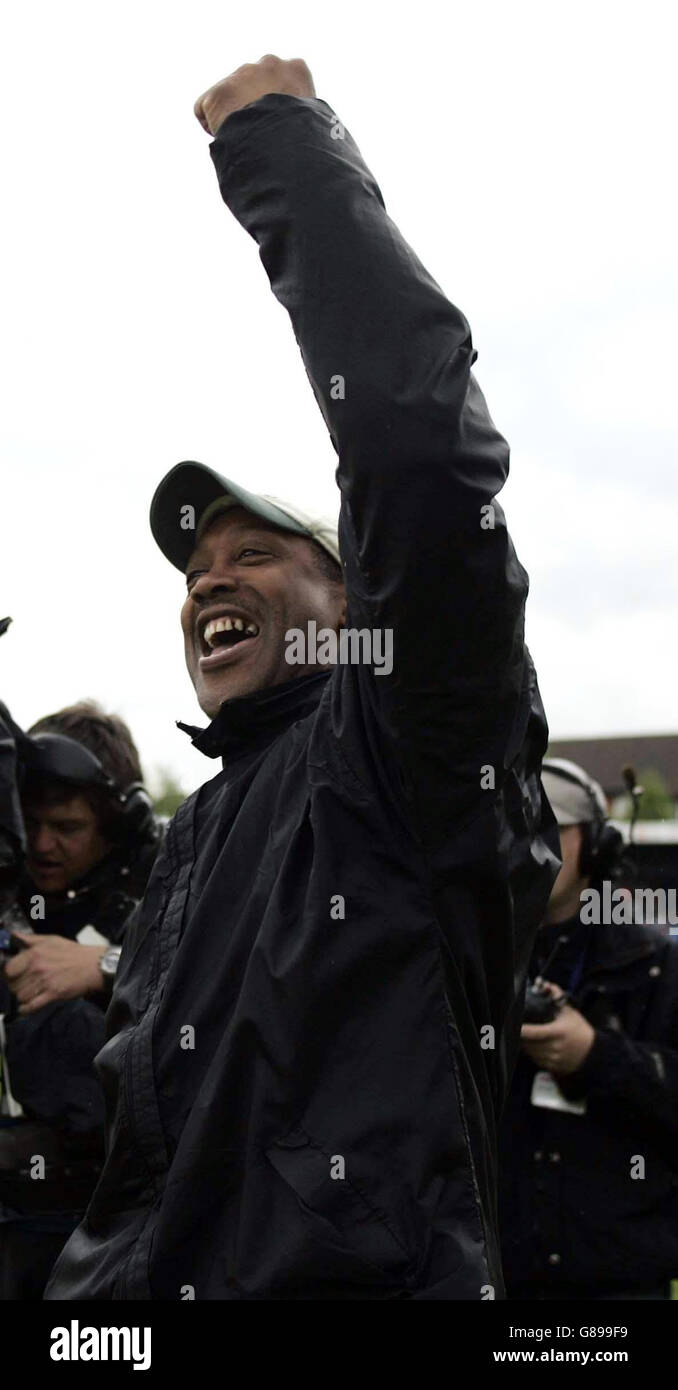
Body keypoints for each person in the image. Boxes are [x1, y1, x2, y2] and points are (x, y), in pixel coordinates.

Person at [45, 54, 559, 1302]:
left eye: (256, 553)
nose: (209, 583)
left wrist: (283, 149)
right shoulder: (207, 822)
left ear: (351, 600)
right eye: (194, 568)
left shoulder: (393, 745)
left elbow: (423, 466)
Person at [499, 757, 678, 1300]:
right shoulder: (475, 958)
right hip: (497, 1272)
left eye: (550, 823)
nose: (528, 841)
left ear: (599, 847)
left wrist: (593, 1055)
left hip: (617, 1280)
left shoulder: (656, 962)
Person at [0, 701, 159, 1299]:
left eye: (67, 828)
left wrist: (108, 968)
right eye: (30, 821)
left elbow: (226, 995)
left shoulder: (167, 893)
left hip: (114, 1238)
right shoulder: (9, 889)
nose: (42, 845)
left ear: (119, 825)